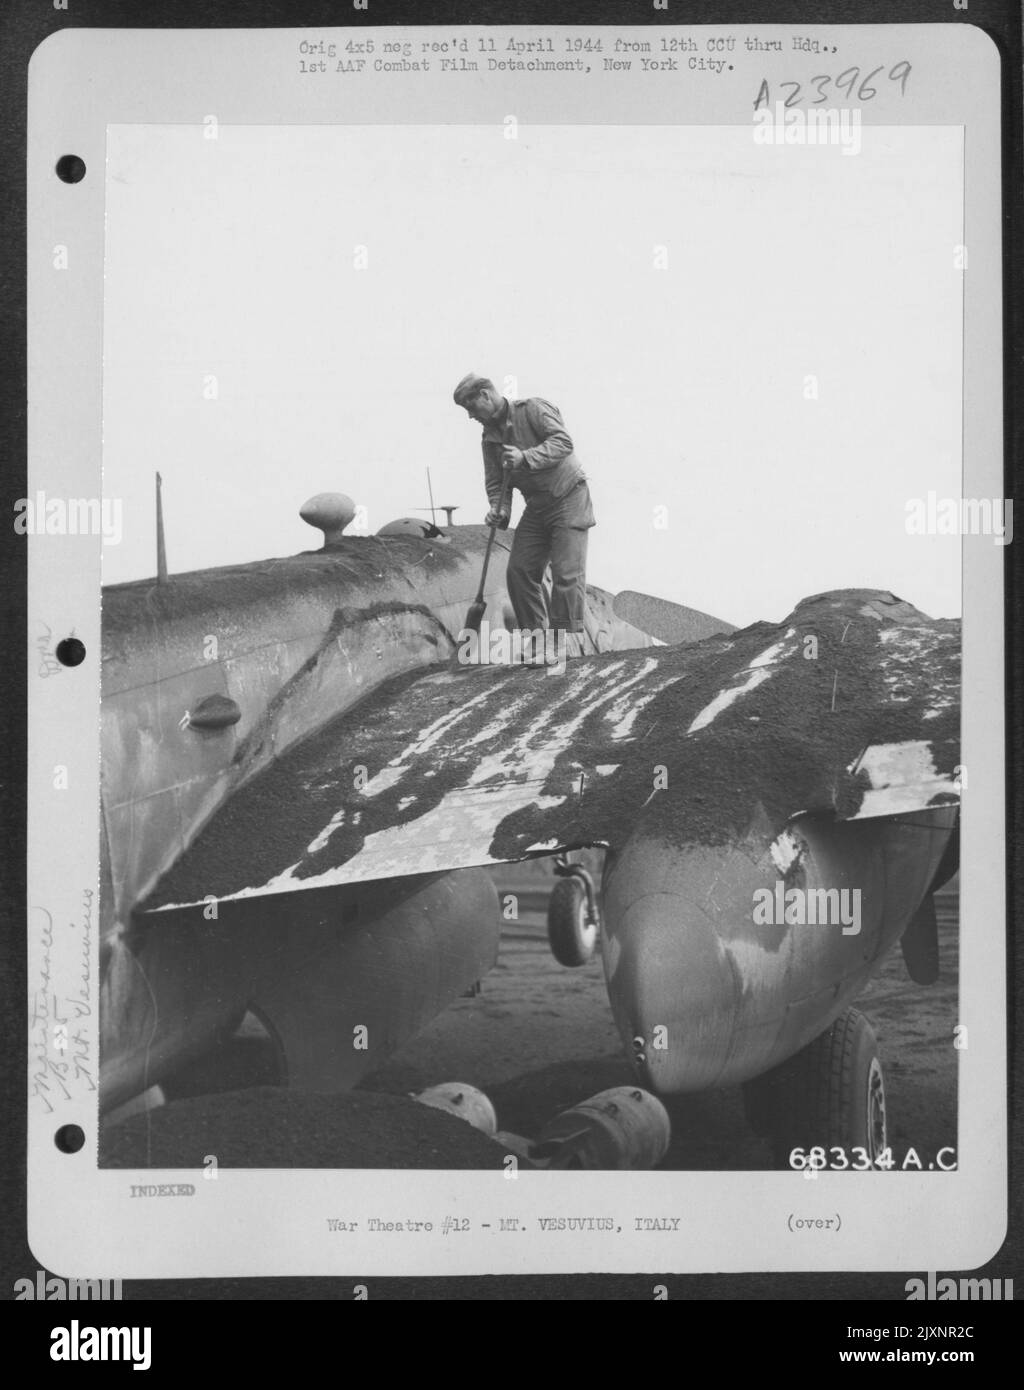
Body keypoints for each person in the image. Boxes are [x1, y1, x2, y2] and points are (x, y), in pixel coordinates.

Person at [452, 374, 595, 645]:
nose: (471, 416)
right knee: (519, 571)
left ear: (486, 395)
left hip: (568, 496)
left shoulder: (533, 409)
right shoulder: (489, 439)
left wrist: (525, 457)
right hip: (537, 505)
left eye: (471, 407)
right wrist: (499, 510)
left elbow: (563, 442)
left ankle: (556, 644)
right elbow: (497, 484)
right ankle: (536, 638)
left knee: (566, 574)